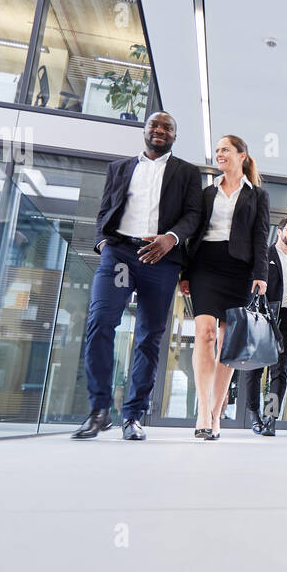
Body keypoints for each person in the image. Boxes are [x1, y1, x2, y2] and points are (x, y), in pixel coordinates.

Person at [72, 112, 202, 441]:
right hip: (121, 255)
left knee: (149, 336)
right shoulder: (119, 168)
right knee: (101, 321)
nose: (160, 131)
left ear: (175, 134)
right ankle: (99, 409)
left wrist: (170, 238)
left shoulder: (186, 172)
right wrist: (103, 242)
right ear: (145, 131)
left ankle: (133, 415)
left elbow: (193, 215)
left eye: (167, 127)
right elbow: (105, 210)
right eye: (154, 126)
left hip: (162, 258)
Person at [179, 134, 269, 440]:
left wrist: (261, 274)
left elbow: (261, 236)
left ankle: (217, 414)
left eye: (226, 150)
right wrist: (185, 273)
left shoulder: (257, 195)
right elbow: (193, 234)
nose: (220, 154)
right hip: (205, 264)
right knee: (204, 334)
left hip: (239, 271)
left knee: (227, 345)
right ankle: (203, 411)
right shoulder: (207, 193)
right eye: (217, 150)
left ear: (242, 155)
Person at [242, 216, 287, 435]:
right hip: (263, 318)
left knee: (279, 371)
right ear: (279, 232)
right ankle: (255, 415)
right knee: (256, 368)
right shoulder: (265, 255)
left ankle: (270, 417)